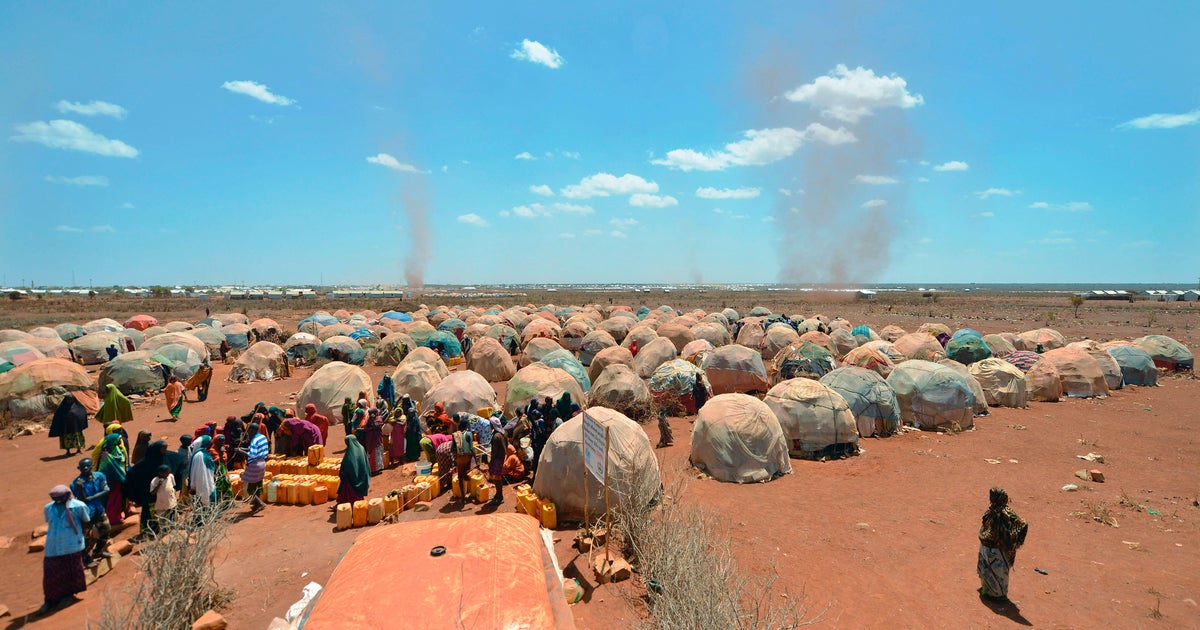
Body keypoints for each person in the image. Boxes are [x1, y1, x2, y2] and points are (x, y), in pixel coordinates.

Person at [40, 485, 90, 614]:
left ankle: (69, 595)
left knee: (72, 571)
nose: (57, 500)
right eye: (54, 498)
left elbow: (86, 521)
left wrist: (81, 537)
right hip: (53, 545)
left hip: (71, 544)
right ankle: (50, 600)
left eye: (59, 497)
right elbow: (49, 522)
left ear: (67, 495)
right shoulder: (48, 508)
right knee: (51, 573)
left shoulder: (78, 506)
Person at [978, 487, 1029, 601]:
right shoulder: (991, 509)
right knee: (986, 569)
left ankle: (998, 595)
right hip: (986, 546)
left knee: (998, 572)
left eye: (993, 496)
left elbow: (1023, 524)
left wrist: (1012, 540)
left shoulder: (1007, 513)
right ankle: (987, 590)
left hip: (998, 549)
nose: (991, 499)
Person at [70, 458, 111, 566]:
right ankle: (86, 559)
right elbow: (82, 499)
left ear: (92, 466)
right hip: (85, 514)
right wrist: (80, 489)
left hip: (99, 509)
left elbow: (107, 490)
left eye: (88, 466)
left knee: (106, 530)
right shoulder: (75, 484)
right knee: (86, 537)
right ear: (79, 468)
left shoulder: (100, 476)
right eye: (83, 467)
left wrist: (92, 497)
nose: (85, 468)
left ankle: (98, 551)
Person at [126, 440, 168, 537]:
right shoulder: (144, 464)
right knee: (150, 513)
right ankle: (149, 531)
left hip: (162, 494)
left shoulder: (163, 458)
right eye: (163, 448)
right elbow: (133, 474)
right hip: (149, 494)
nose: (165, 450)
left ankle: (162, 529)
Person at [96, 434, 127, 525]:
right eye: (118, 440)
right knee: (113, 500)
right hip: (111, 481)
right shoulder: (106, 456)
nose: (119, 441)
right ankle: (113, 518)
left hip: (119, 479)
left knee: (119, 499)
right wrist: (121, 476)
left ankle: (118, 515)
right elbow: (106, 470)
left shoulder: (118, 450)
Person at [240, 423, 268, 512]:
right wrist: (244, 449)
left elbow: (252, 455)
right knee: (257, 484)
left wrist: (241, 451)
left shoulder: (254, 440)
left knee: (249, 487)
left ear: (252, 430)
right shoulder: (262, 437)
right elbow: (256, 449)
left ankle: (260, 503)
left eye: (249, 430)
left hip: (254, 465)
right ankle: (256, 504)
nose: (247, 432)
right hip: (262, 463)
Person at [337, 435, 370, 504]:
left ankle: (346, 502)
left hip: (353, 477)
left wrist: (342, 471)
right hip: (363, 475)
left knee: (345, 484)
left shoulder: (350, 452)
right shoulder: (361, 448)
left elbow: (348, 465)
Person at [452, 417, 476, 501]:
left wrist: (455, 460)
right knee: (469, 468)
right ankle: (466, 474)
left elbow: (452, 449)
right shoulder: (469, 434)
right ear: (466, 425)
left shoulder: (455, 435)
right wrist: (476, 460)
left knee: (460, 477)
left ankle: (463, 497)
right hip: (467, 457)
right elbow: (472, 448)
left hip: (459, 458)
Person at [148, 465, 177, 532]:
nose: (167, 474)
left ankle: (172, 531)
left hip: (171, 502)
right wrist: (159, 484)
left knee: (172, 518)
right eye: (166, 473)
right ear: (160, 473)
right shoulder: (154, 481)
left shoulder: (171, 476)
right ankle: (163, 533)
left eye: (168, 472)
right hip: (161, 503)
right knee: (162, 519)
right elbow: (152, 493)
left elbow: (173, 486)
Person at [189, 435, 217, 507]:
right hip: (205, 480)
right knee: (206, 497)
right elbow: (208, 468)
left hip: (199, 481)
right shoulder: (201, 455)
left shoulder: (198, 454)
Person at [488, 424, 507, 505]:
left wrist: (491, 461)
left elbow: (494, 451)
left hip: (497, 459)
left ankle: (500, 497)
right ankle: (497, 494)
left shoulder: (496, 436)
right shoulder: (503, 433)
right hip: (501, 457)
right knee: (497, 478)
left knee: (497, 478)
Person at [362, 407, 385, 473]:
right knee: (371, 454)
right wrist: (371, 425)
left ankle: (377, 469)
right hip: (370, 439)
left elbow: (376, 425)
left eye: (371, 413)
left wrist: (372, 424)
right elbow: (366, 428)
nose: (370, 415)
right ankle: (372, 469)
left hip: (376, 440)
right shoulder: (369, 419)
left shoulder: (379, 418)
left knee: (376, 454)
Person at [401, 396, 422, 462]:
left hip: (414, 434)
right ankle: (410, 456)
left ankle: (415, 456)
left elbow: (417, 428)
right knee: (410, 446)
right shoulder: (408, 418)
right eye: (409, 413)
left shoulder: (415, 419)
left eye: (412, 413)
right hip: (410, 434)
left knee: (415, 445)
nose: (410, 414)